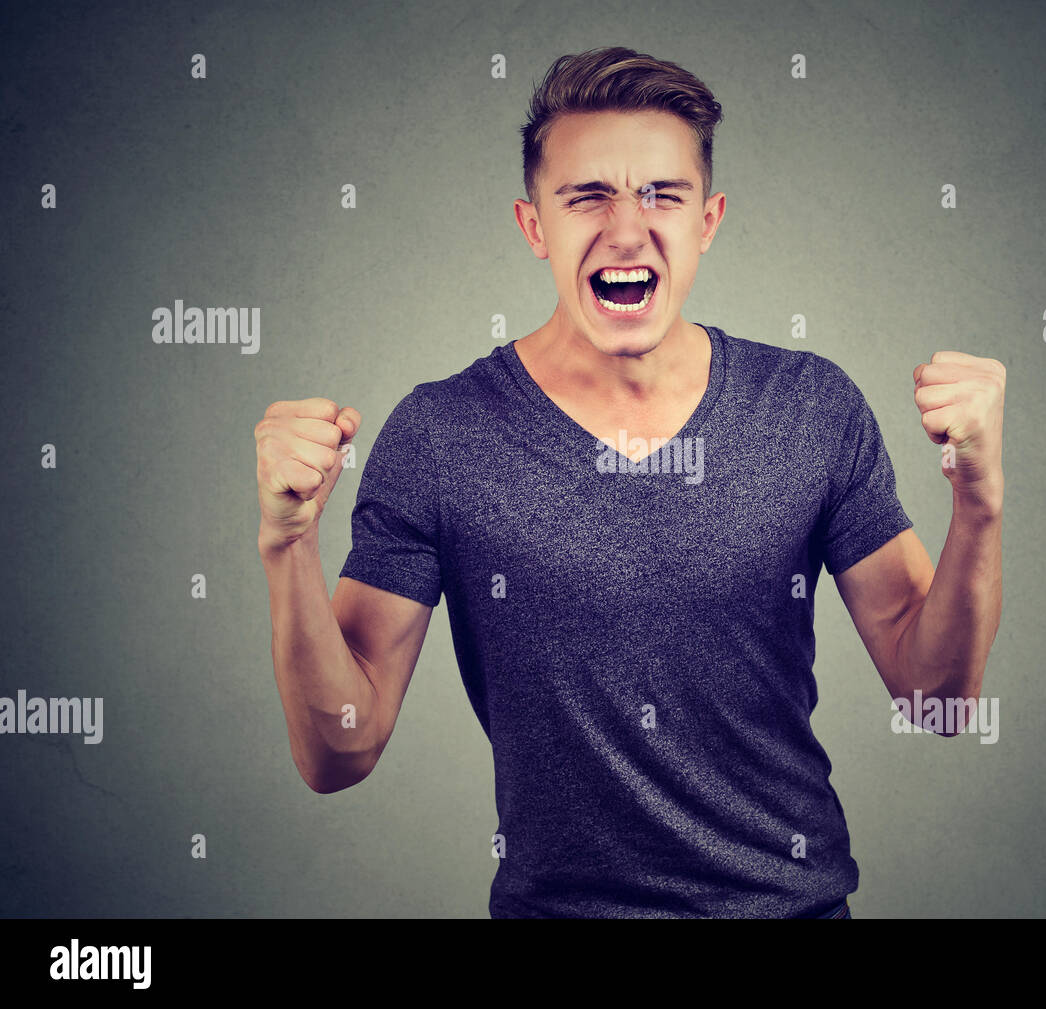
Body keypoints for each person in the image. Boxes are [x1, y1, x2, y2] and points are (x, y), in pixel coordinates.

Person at [254, 46, 1005, 918]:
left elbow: (939, 703)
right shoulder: (439, 435)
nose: (625, 230)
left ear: (708, 220)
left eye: (662, 195)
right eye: (588, 197)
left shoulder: (809, 407)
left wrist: (980, 506)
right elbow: (337, 754)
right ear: (535, 226)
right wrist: (287, 546)